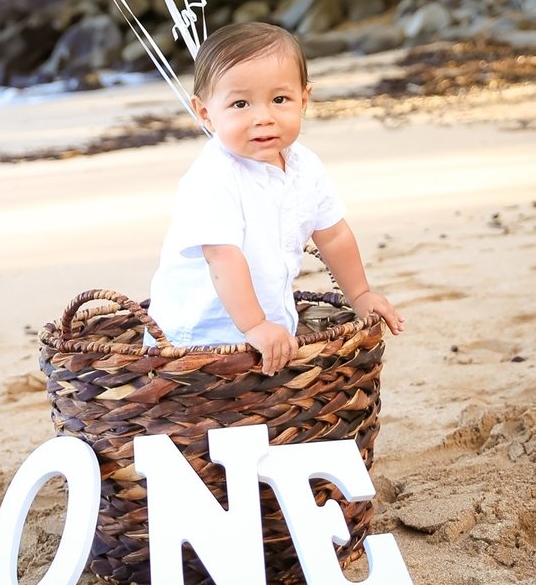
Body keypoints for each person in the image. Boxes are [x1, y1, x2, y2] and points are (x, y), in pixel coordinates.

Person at [147, 21, 404, 370]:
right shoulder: (213, 176)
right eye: (240, 104)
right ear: (206, 113)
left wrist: (359, 294)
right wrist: (254, 324)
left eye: (279, 99)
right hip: (197, 337)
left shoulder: (305, 165)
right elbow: (223, 257)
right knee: (211, 415)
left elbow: (334, 234)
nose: (263, 118)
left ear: (304, 100)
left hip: (269, 326)